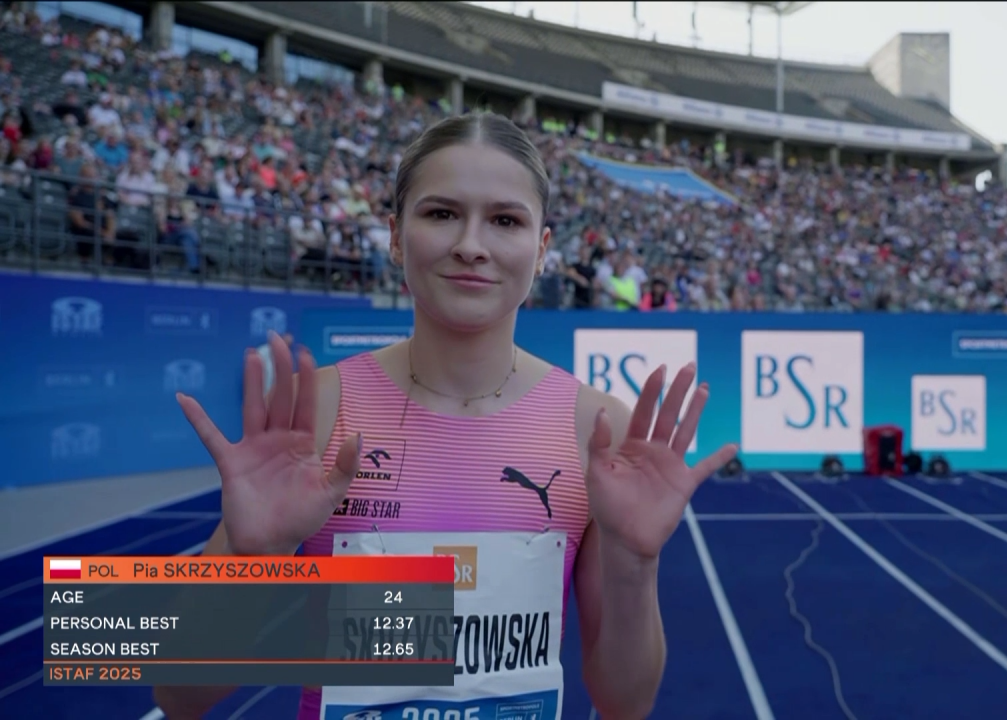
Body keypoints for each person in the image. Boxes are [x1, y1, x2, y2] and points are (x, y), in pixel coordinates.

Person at [156, 113, 736, 720]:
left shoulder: (596, 430)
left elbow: (625, 703)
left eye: (505, 220)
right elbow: (179, 695)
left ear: (542, 250)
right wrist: (249, 558)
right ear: (395, 236)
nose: (471, 245)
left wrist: (636, 564)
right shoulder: (317, 414)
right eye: (441, 213)